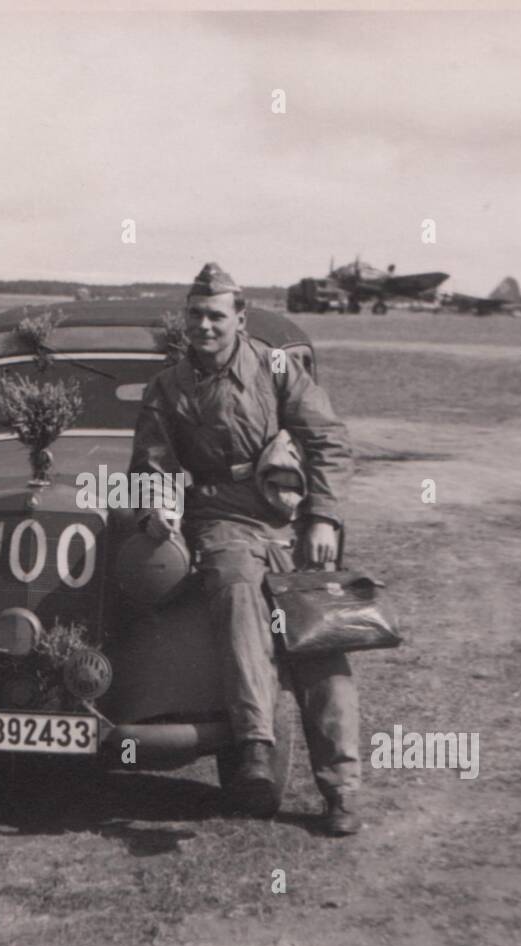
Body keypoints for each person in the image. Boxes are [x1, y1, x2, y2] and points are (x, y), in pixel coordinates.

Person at [130, 262, 364, 835]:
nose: (205, 326)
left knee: (322, 644)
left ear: (240, 317)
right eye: (196, 314)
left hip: (289, 520)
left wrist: (323, 517)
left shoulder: (275, 368)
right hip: (220, 521)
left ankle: (341, 791)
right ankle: (255, 748)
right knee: (238, 604)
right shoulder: (168, 388)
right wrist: (159, 507)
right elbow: (152, 466)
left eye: (216, 315)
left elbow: (329, 439)